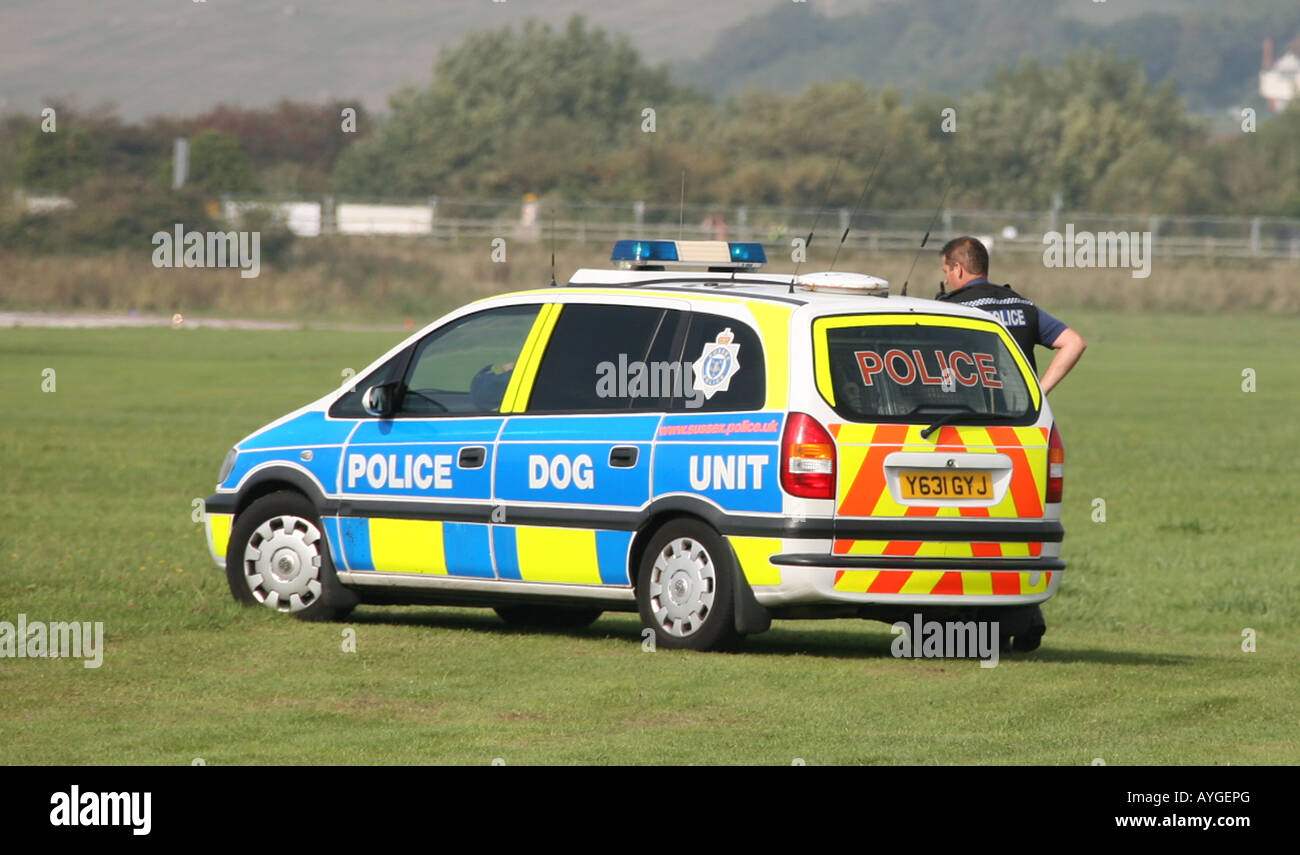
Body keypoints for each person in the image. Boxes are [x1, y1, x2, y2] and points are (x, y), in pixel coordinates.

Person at [934, 236, 1086, 394]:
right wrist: (1039, 393)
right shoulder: (1022, 305)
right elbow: (1074, 342)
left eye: (946, 272)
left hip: (970, 414)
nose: (946, 281)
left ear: (958, 269)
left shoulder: (952, 309)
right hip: (1022, 414)